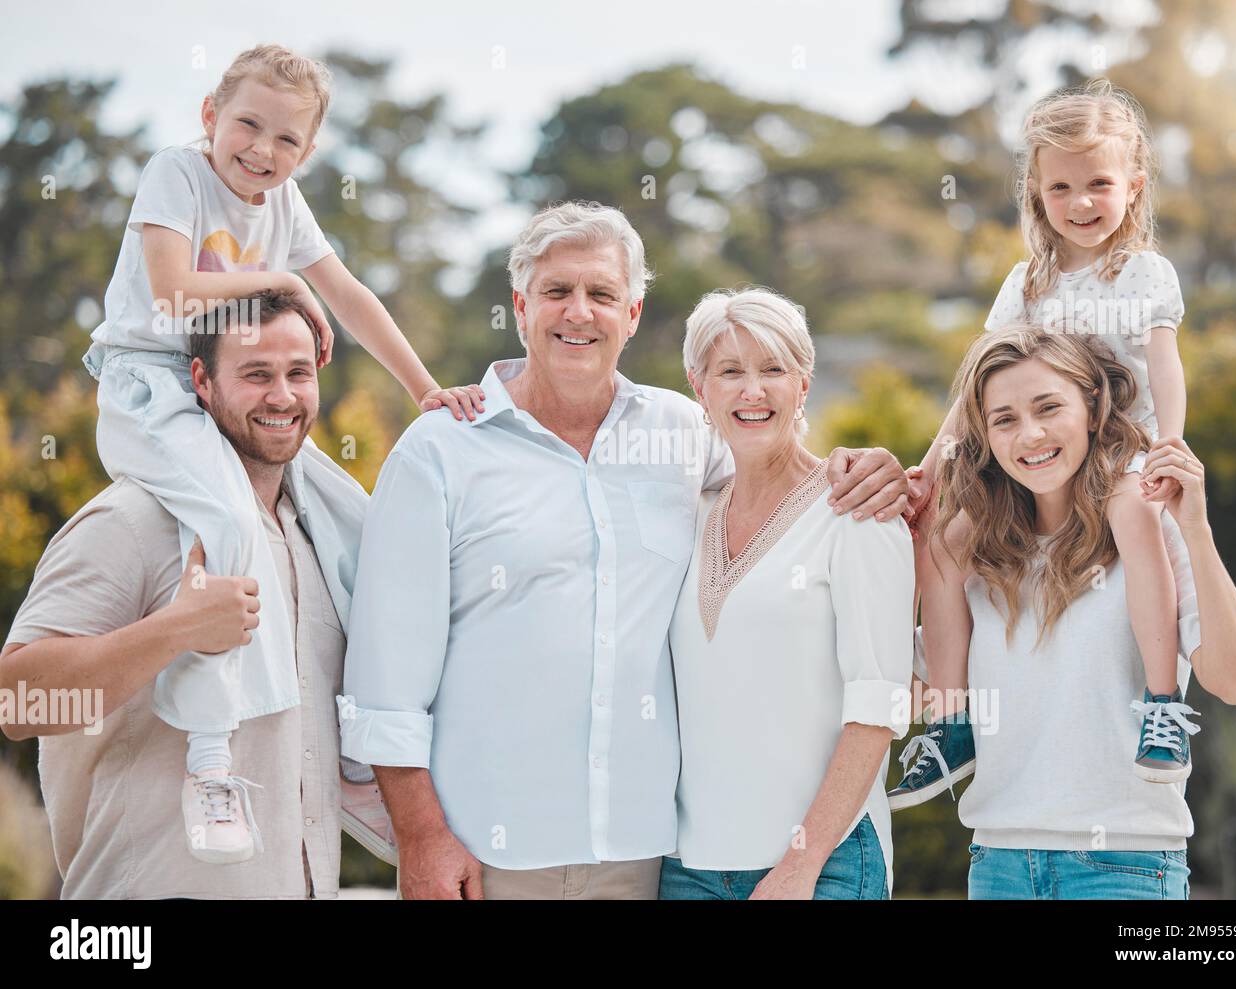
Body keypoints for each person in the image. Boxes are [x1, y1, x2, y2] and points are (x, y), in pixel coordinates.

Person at [337, 201, 911, 900]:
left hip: (645, 857)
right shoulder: (440, 451)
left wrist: (867, 467)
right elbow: (384, 679)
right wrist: (423, 836)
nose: (579, 311)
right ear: (520, 307)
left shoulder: (679, 433)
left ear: (632, 314)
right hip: (488, 852)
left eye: (602, 294)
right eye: (557, 292)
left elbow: (777, 483)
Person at [82, 44, 479, 862]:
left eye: (287, 141)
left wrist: (425, 390)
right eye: (248, 126)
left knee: (356, 523)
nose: (262, 151)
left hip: (232, 390)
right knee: (232, 520)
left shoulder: (284, 201)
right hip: (152, 385)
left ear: (307, 151)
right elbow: (169, 289)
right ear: (210, 117)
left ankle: (354, 745)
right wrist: (284, 287)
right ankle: (210, 755)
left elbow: (351, 295)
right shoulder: (176, 173)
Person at [896, 79, 1196, 808]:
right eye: (1061, 186)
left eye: (1100, 182)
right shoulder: (1025, 283)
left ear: (1134, 183)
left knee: (1134, 519)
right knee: (943, 542)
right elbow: (981, 382)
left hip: (1120, 445)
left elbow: (1163, 366)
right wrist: (933, 464)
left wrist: (1171, 443)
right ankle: (952, 716)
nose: (1082, 201)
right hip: (1033, 457)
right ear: (1036, 191)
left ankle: (1162, 705)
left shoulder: (1147, 273)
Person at [1, 291, 358, 897]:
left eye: (298, 373)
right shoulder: (132, 521)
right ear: (201, 380)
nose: (282, 397)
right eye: (255, 374)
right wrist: (177, 629)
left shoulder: (321, 537)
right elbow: (21, 704)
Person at [917, 325, 1236, 898]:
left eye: (1048, 407)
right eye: (1004, 419)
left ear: (1093, 407)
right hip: (999, 865)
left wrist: (1196, 530)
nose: (1030, 435)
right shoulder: (975, 555)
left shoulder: (1149, 529)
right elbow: (906, 680)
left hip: (1125, 867)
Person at [659, 289, 913, 900]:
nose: (753, 391)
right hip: (686, 866)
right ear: (699, 387)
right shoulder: (683, 514)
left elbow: (877, 710)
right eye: (730, 372)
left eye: (773, 369)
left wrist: (799, 868)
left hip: (823, 866)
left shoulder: (858, 510)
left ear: (803, 385)